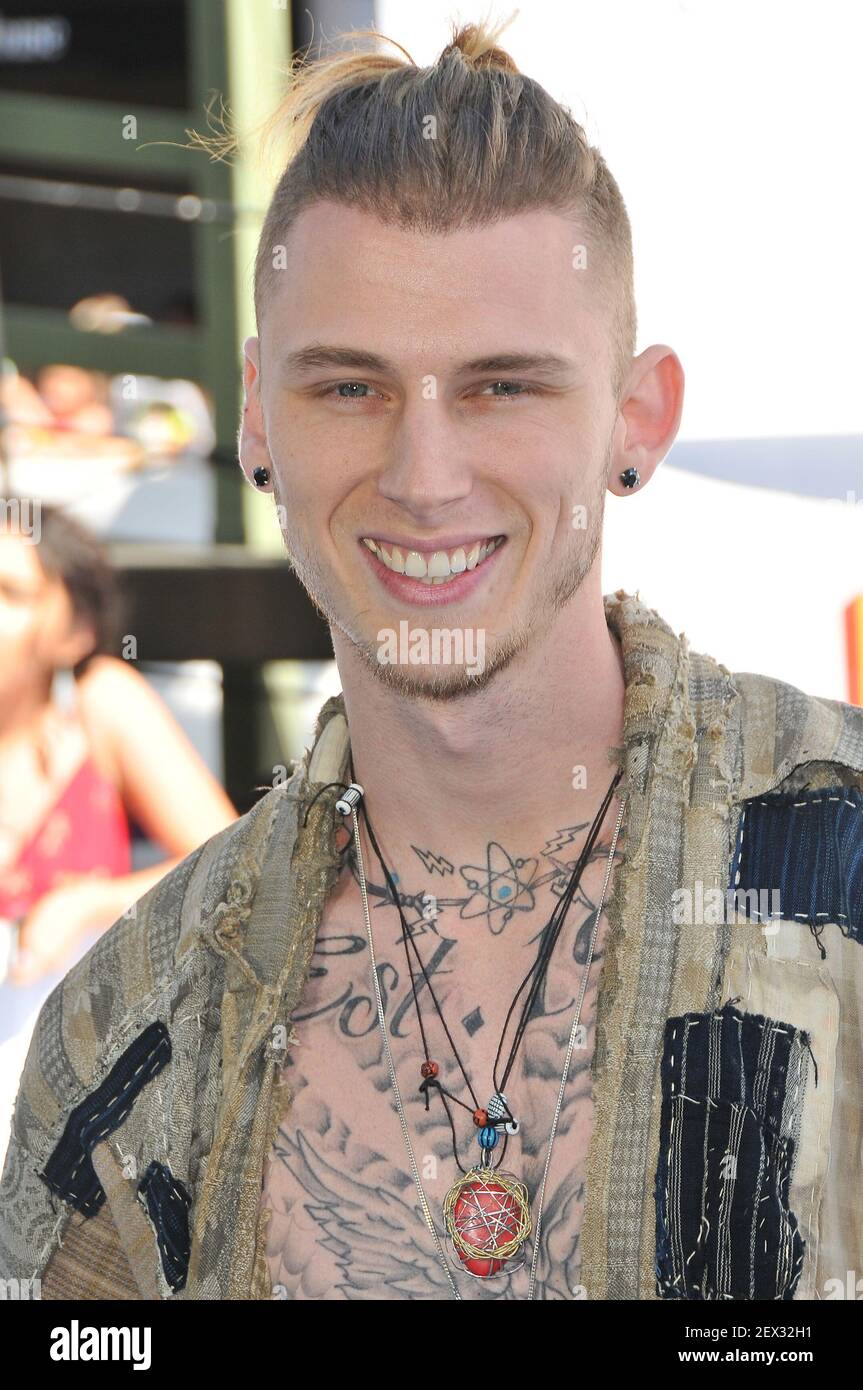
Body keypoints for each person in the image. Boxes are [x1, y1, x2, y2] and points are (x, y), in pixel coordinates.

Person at [1, 17, 861, 1302]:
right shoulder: (128, 1039)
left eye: (500, 388)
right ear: (255, 416)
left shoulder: (837, 869)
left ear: (636, 418)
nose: (424, 476)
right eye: (347, 389)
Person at [0, 501, 238, 1166]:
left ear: (73, 628)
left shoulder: (101, 703)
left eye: (9, 593)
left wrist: (91, 901)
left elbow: (228, 858)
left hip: (80, 1099)